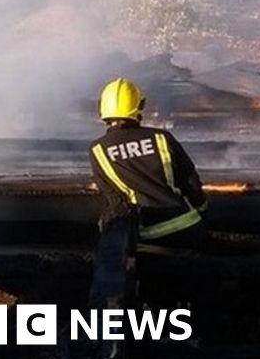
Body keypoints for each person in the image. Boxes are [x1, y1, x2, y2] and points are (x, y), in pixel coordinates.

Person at [89, 78, 208, 249]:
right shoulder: (161, 138)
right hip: (188, 228)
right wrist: (203, 210)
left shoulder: (98, 149)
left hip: (149, 235)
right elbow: (190, 182)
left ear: (102, 108)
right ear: (139, 106)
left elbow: (115, 200)